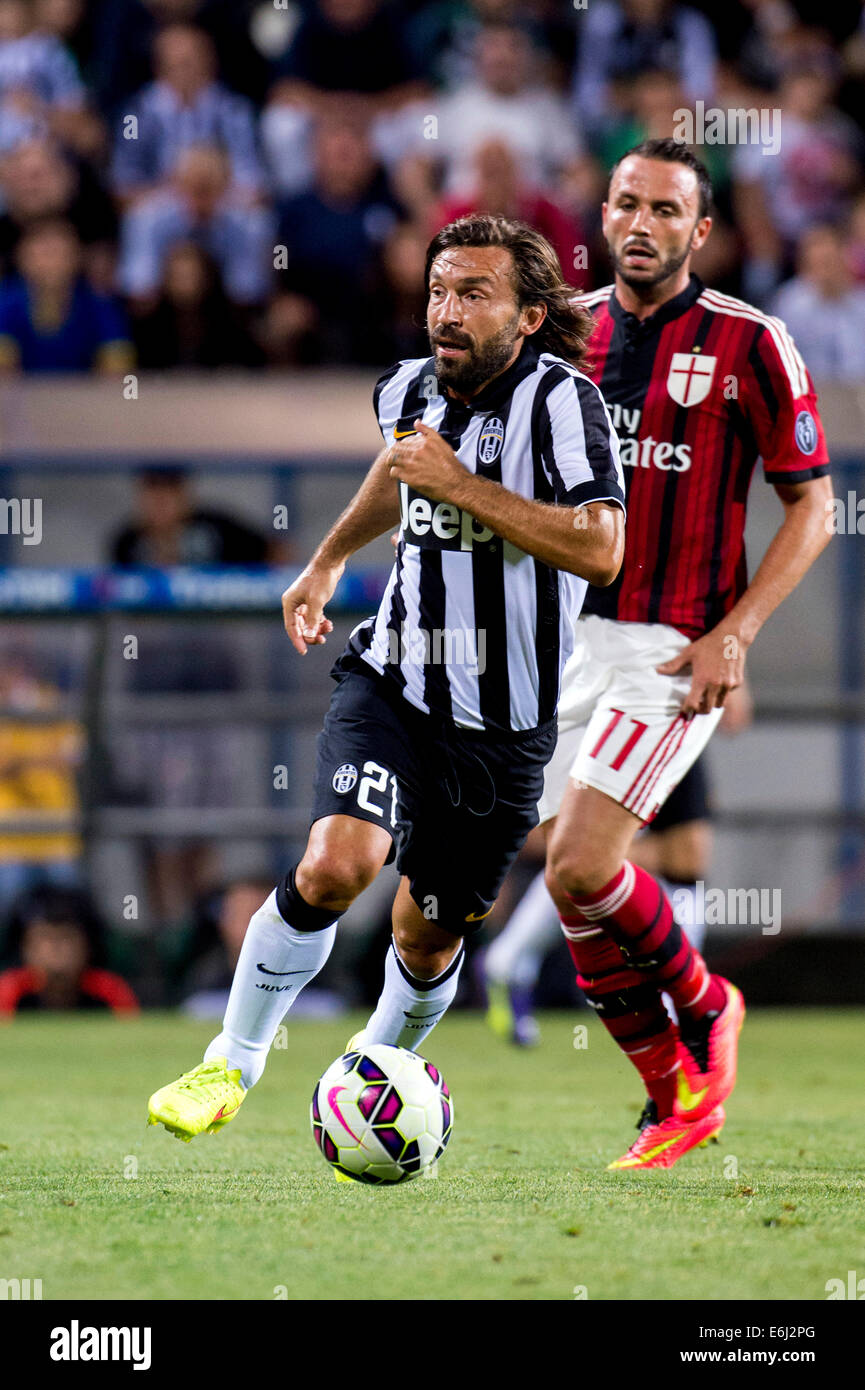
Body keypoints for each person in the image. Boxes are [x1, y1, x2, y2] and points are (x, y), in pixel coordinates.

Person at [146, 211, 626, 1148]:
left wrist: (460, 487)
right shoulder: (407, 388)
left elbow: (600, 549)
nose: (446, 312)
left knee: (426, 936)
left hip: (506, 726)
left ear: (528, 316)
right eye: (438, 292)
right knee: (338, 863)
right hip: (394, 683)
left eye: (473, 295)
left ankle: (367, 1077)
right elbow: (400, 467)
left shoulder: (564, 406)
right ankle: (231, 1064)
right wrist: (326, 561)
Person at [534, 139, 832, 1171]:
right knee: (565, 881)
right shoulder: (562, 334)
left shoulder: (752, 342)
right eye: (625, 204)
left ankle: (708, 1005)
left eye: (665, 209)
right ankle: (669, 1092)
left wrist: (734, 634)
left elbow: (813, 505)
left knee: (581, 861)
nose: (641, 224)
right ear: (603, 215)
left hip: (673, 647)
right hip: (565, 643)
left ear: (699, 230)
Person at [483, 682, 752, 1046]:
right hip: (616, 692)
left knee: (685, 859)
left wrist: (726, 648)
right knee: (582, 858)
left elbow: (735, 715)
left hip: (673, 711)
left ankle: (681, 1006)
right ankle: (511, 960)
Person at [0, 884, 139, 1015]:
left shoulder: (109, 991)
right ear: (27, 949)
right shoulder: (9, 991)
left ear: (87, 947)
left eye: (66, 938)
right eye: (46, 938)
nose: (56, 949)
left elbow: (133, 1031)